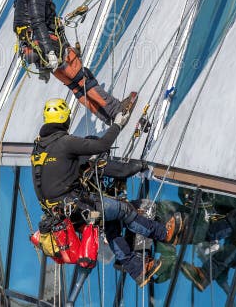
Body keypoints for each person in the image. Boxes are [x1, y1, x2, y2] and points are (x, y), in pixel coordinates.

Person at [31, 98, 185, 287]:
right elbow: (103, 147)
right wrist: (119, 124)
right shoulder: (66, 143)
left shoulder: (39, 149)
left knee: (111, 225)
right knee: (124, 210)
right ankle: (163, 234)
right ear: (65, 119)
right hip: (78, 207)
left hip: (64, 216)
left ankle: (137, 269)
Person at [14, 0, 136, 124]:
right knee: (82, 78)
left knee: (75, 86)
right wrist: (49, 51)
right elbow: (38, 22)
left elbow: (37, 21)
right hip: (47, 46)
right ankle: (117, 111)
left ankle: (108, 118)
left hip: (34, 49)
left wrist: (60, 22)